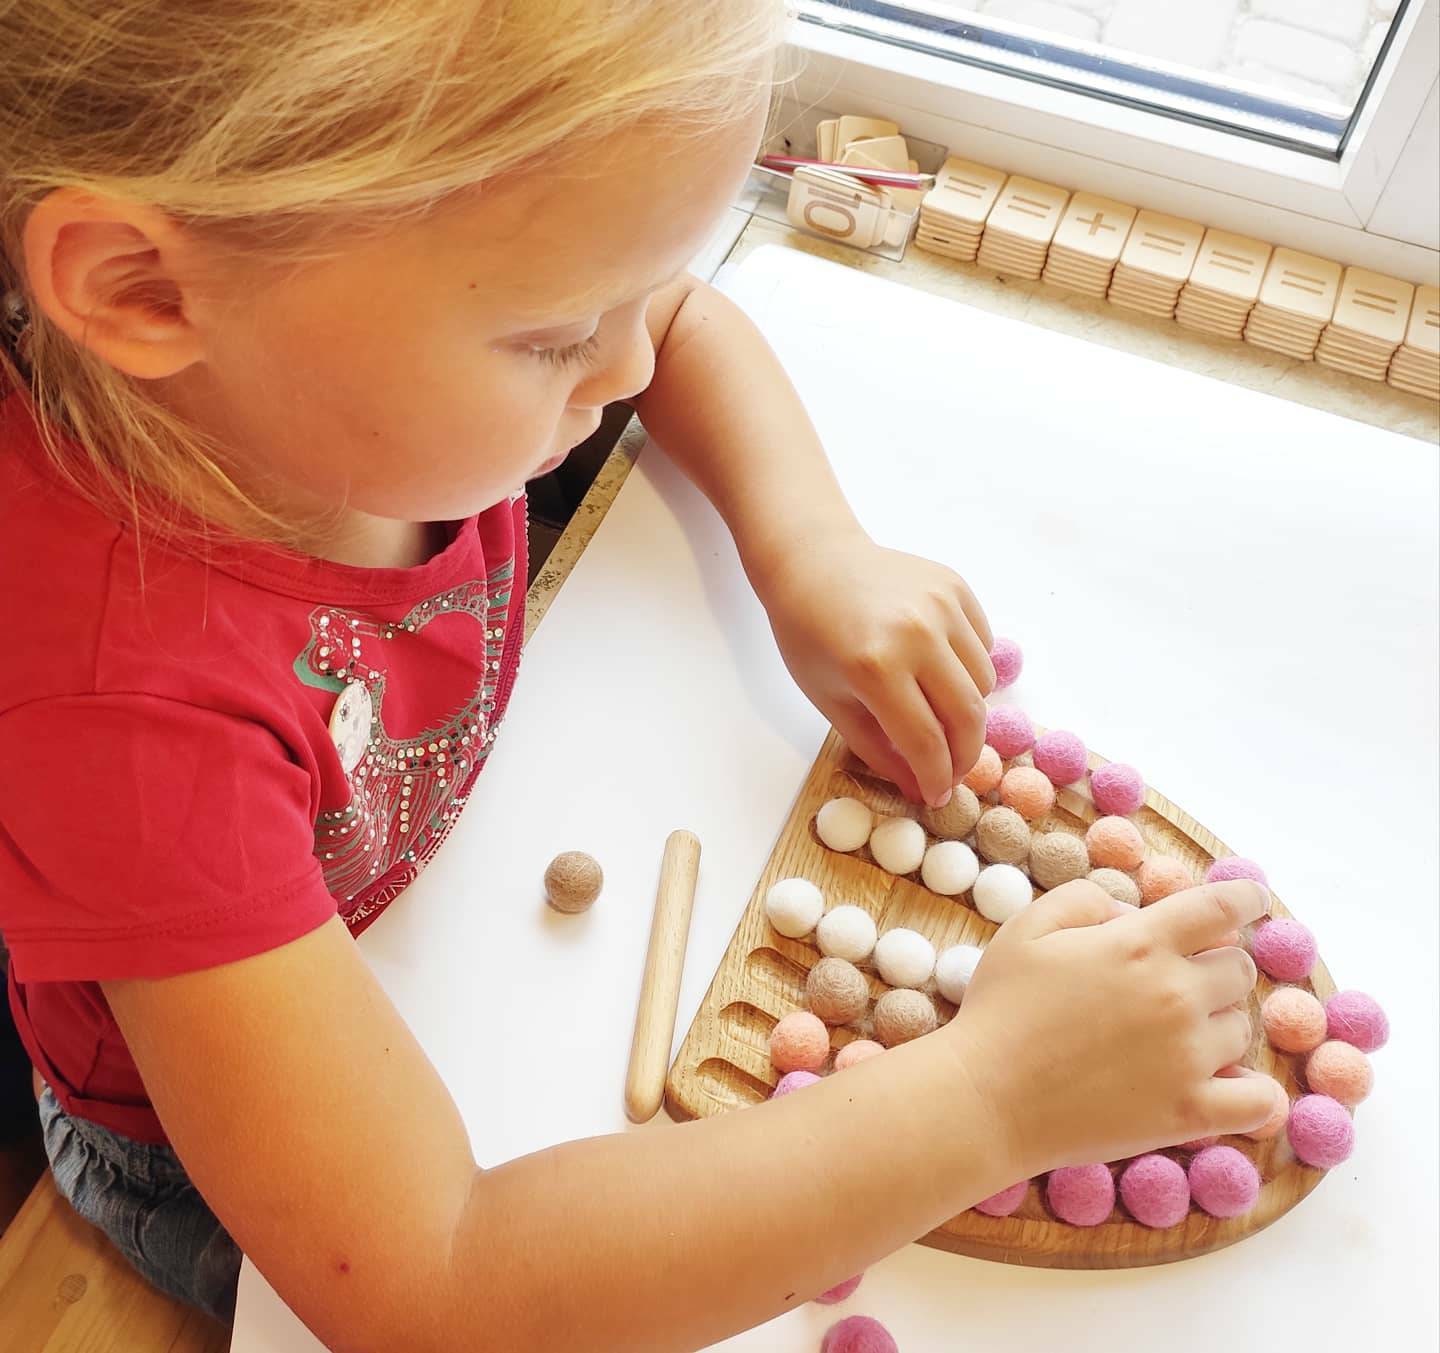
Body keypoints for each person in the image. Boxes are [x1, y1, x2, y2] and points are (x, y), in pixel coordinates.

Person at [0, 2, 1274, 1345]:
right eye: (557, 337)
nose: (634, 361)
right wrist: (993, 1099)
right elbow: (442, 1280)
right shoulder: (121, 720)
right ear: (141, 292)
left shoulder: (338, 366)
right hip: (209, 1163)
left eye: (627, 296)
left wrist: (810, 547)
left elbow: (670, 313)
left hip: (433, 900)